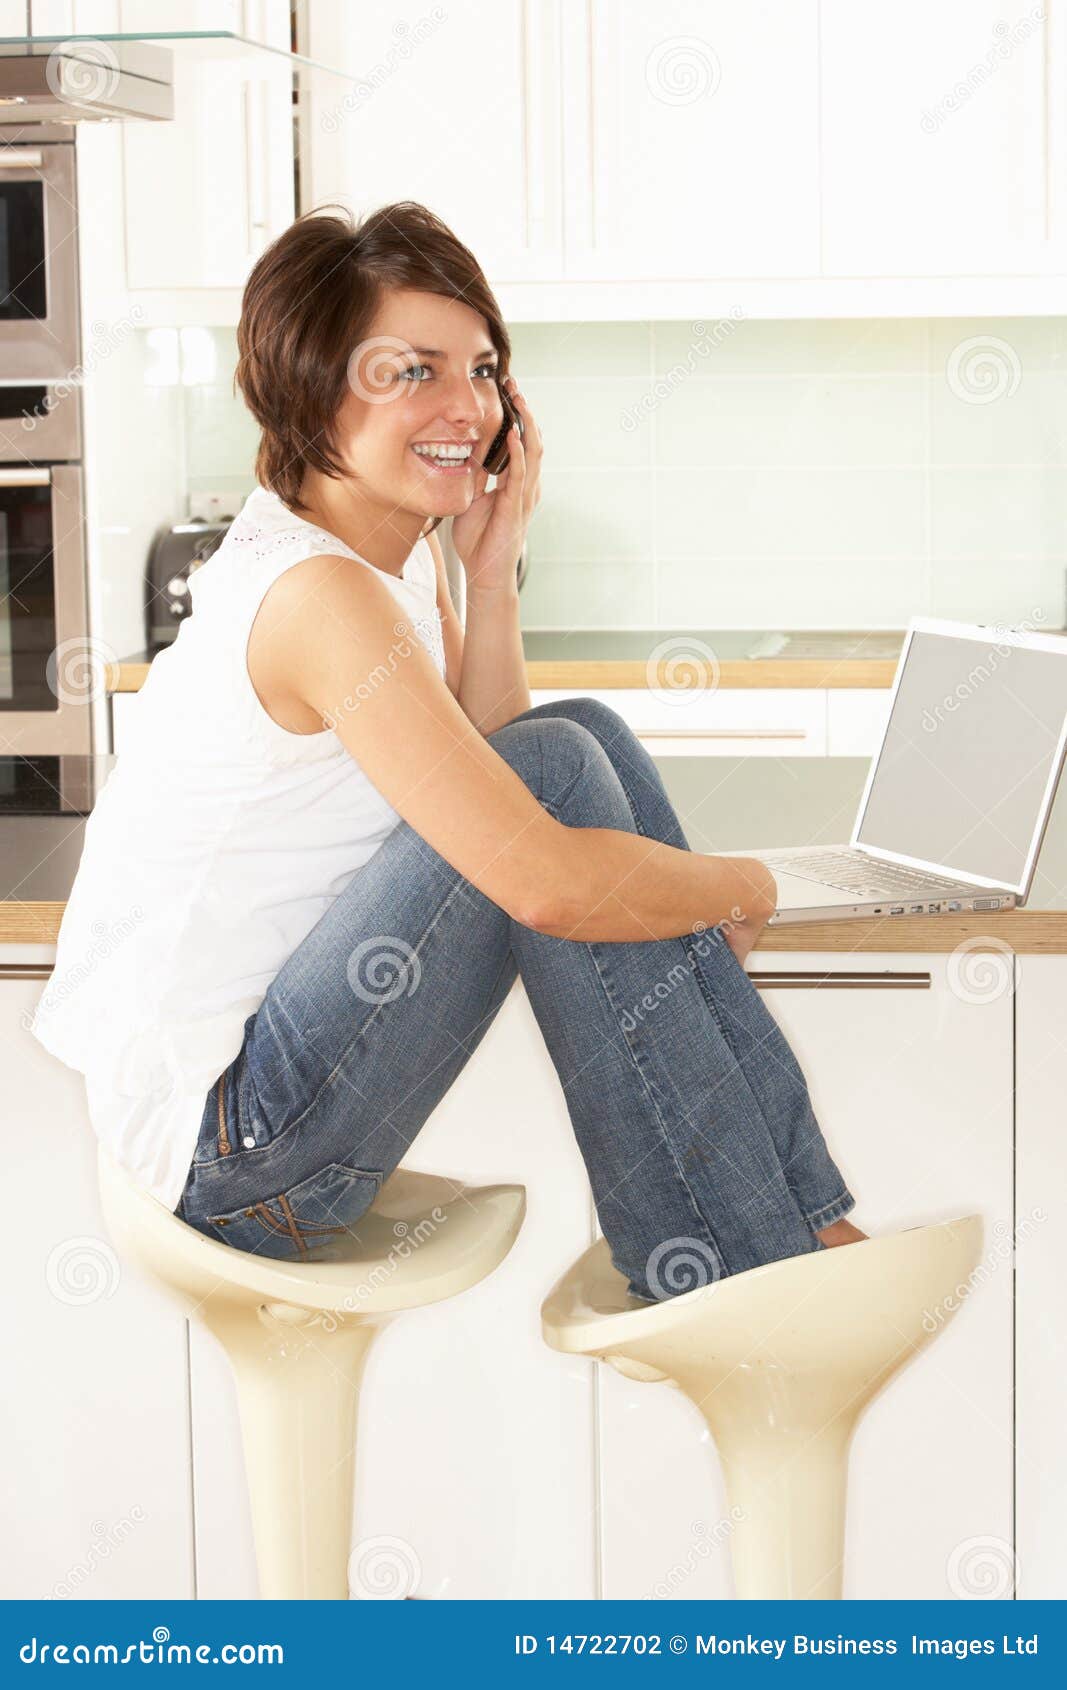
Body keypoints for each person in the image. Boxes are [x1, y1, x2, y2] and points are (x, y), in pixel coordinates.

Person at [31, 202, 863, 1302]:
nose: (465, 408)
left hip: (265, 1101)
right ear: (312, 384)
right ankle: (735, 1250)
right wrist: (745, 886)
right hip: (230, 1152)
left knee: (577, 739)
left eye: (480, 370)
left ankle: (770, 1226)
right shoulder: (319, 592)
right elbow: (537, 874)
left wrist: (488, 565)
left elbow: (495, 755)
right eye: (412, 370)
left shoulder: (392, 556)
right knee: (561, 770)